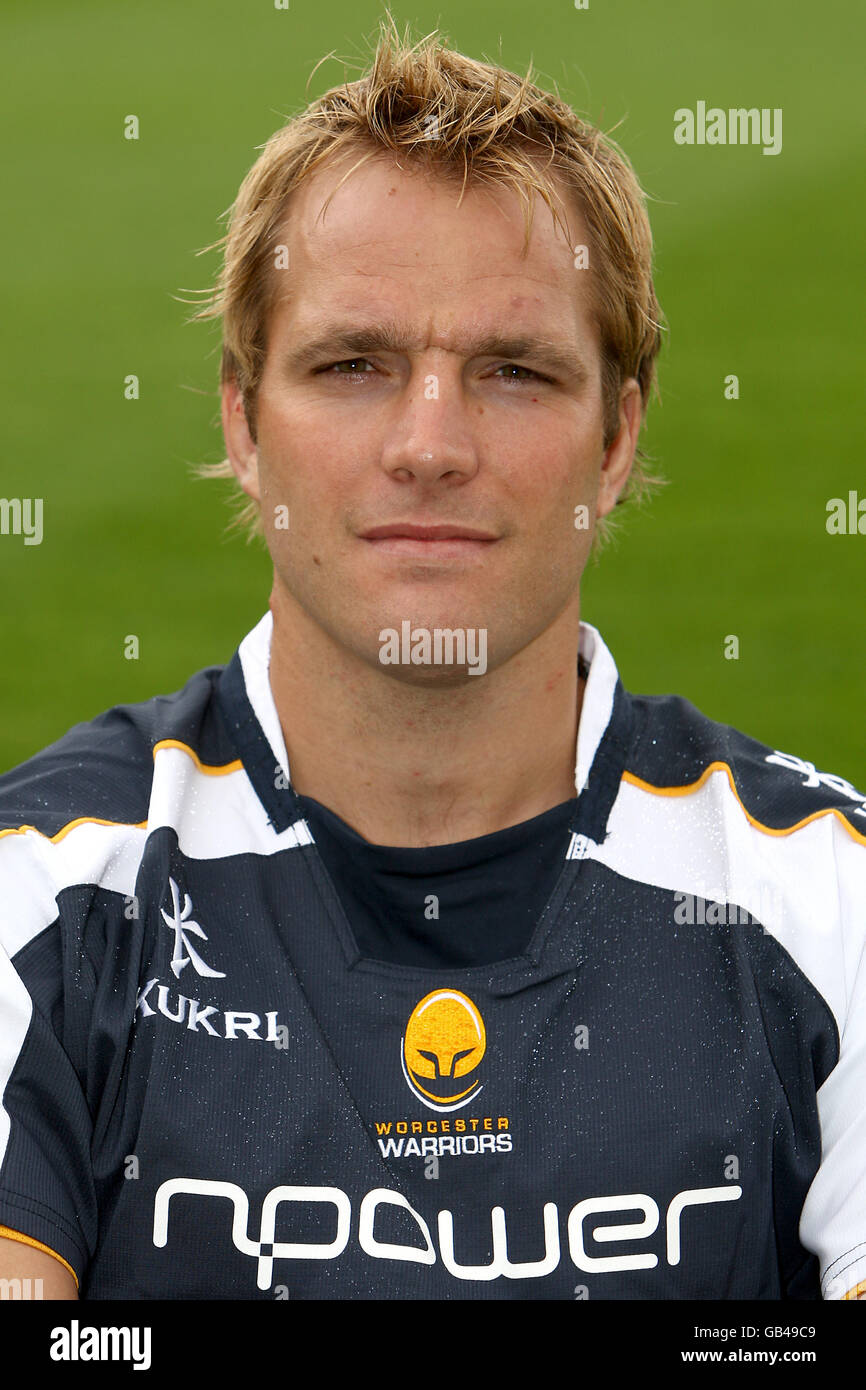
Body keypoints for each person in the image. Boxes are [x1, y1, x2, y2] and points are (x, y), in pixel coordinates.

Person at [0, 21, 863, 1302]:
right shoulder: (46, 895)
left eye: (512, 372)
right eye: (353, 365)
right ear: (241, 416)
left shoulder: (827, 904)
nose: (428, 443)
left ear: (616, 436)